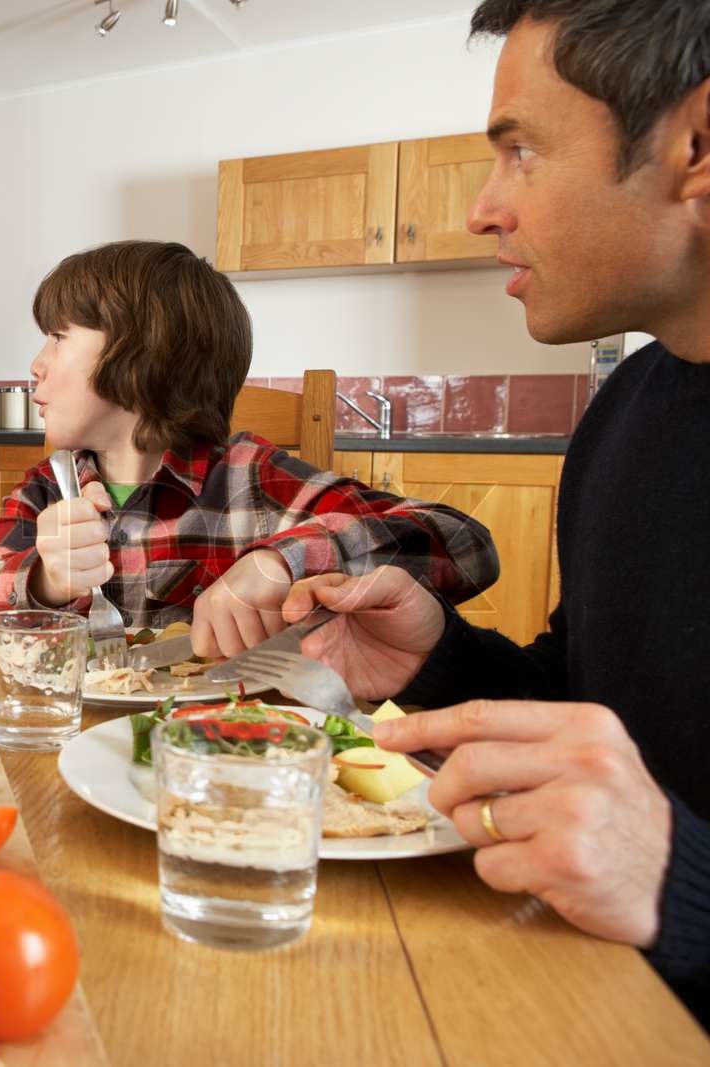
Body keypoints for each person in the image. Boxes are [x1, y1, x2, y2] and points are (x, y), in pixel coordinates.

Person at [282, 0, 710, 1023]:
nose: (479, 208)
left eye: (520, 151)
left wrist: (681, 879)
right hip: (567, 984)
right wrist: (438, 657)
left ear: (695, 147)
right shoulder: (627, 411)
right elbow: (592, 700)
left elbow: (652, 835)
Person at [0, 240, 500, 648]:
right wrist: (44, 581)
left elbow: (464, 542)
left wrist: (280, 562)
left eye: (57, 337)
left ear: (138, 357)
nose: (36, 364)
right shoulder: (49, 487)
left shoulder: (252, 478)